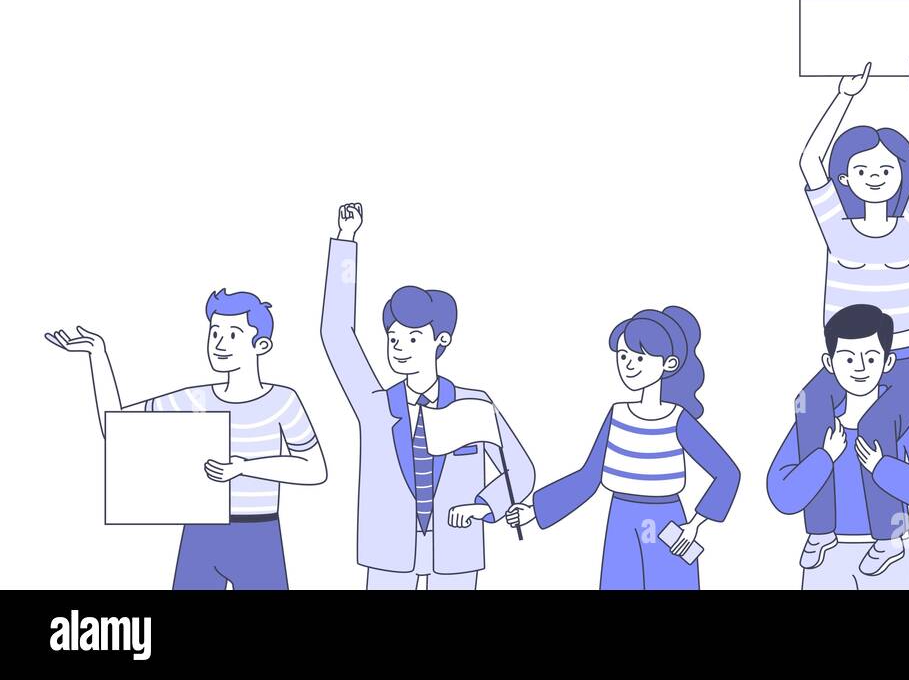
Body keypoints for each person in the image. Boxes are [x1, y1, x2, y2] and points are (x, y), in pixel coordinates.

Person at [45, 290, 327, 589]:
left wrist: (243, 467)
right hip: (201, 534)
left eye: (234, 334)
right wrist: (98, 356)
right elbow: (116, 427)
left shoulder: (283, 401)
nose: (219, 344)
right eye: (214, 332)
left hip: (258, 533)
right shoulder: (195, 398)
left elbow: (314, 469)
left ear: (261, 345)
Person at [321, 203, 534, 590]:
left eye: (413, 338)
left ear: (441, 341)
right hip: (388, 554)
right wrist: (345, 241)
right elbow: (336, 333)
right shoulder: (374, 404)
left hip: (455, 552)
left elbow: (520, 471)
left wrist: (484, 506)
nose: (399, 347)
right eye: (393, 338)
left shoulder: (473, 405)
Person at [794, 59, 909, 573]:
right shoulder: (836, 226)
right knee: (809, 407)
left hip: (902, 359)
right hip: (844, 359)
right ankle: (821, 529)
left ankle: (890, 537)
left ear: (900, 176)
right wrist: (843, 95)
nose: (874, 177)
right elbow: (808, 161)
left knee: (878, 422)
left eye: (886, 169)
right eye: (861, 170)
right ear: (846, 178)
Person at [504, 307, 740, 590]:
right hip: (621, 521)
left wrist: (695, 525)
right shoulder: (617, 415)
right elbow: (588, 478)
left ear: (669, 363)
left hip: (667, 523)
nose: (628, 364)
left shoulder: (678, 420)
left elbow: (727, 473)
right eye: (623, 356)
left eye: (639, 357)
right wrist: (535, 509)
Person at [768, 304, 909, 589]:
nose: (860, 369)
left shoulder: (907, 420)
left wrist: (883, 468)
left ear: (888, 363)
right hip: (827, 556)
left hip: (891, 555)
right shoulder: (816, 423)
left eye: (871, 357)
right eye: (848, 359)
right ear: (829, 363)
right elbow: (782, 495)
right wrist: (823, 458)